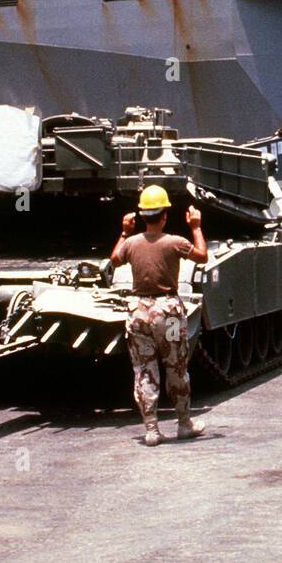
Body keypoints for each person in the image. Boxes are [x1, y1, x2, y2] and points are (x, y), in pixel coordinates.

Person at [110, 184, 210, 446]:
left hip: (139, 312)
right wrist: (196, 227)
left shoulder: (131, 243)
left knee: (144, 371)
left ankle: (152, 430)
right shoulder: (175, 242)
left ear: (143, 215)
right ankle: (184, 423)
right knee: (176, 366)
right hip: (169, 313)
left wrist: (124, 232)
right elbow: (202, 257)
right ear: (165, 215)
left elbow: (114, 259)